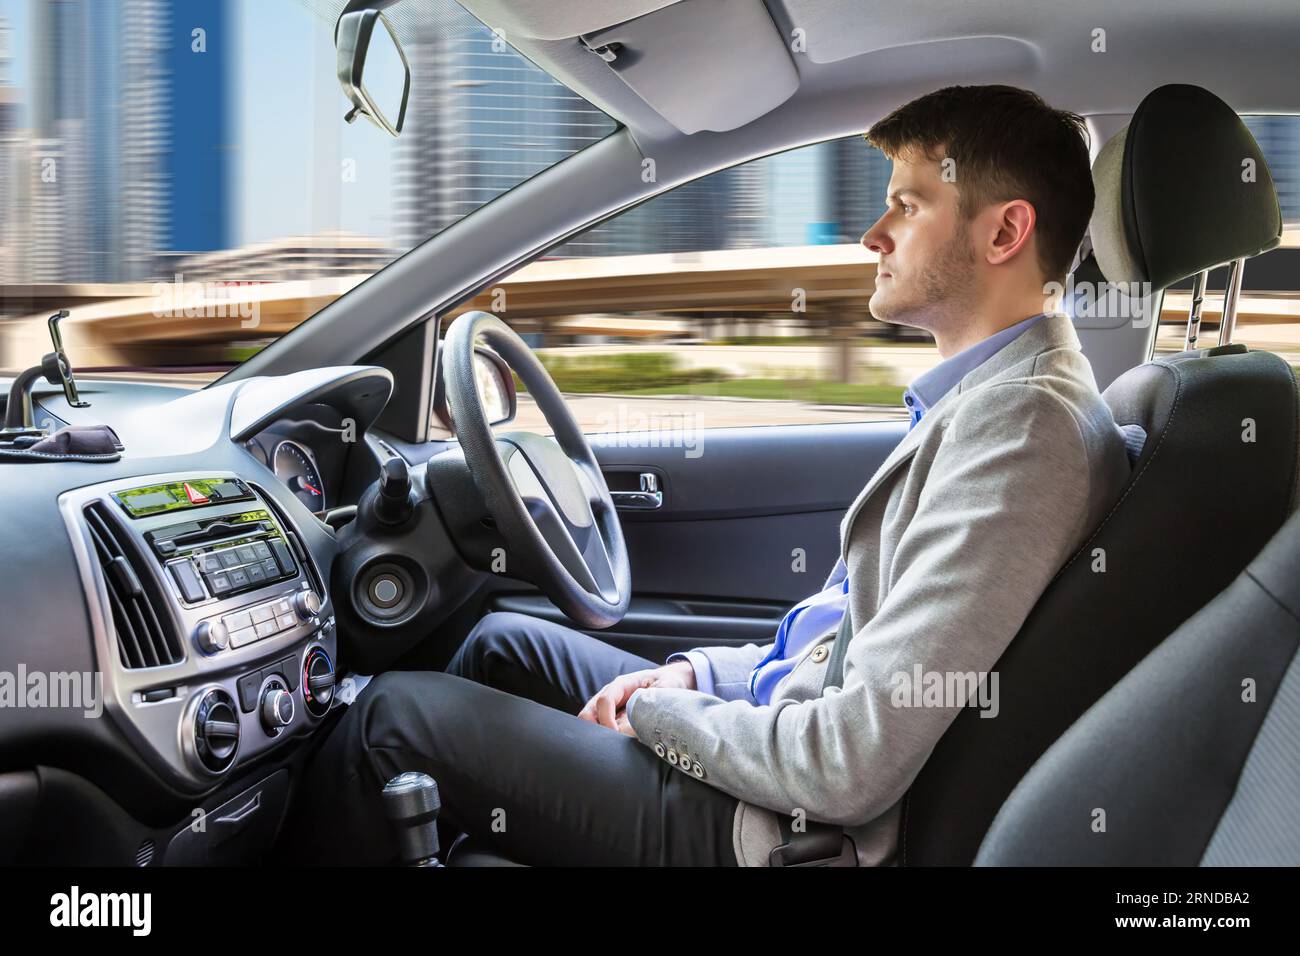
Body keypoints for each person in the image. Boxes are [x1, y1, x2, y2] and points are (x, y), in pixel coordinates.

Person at [297, 85, 1132, 866]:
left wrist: (660, 715)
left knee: (388, 720)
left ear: (1003, 233)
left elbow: (852, 765)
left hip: (780, 831)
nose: (874, 234)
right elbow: (839, 644)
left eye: (908, 206)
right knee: (501, 645)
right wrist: (699, 677)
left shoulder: (1023, 427)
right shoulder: (986, 398)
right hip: (780, 740)